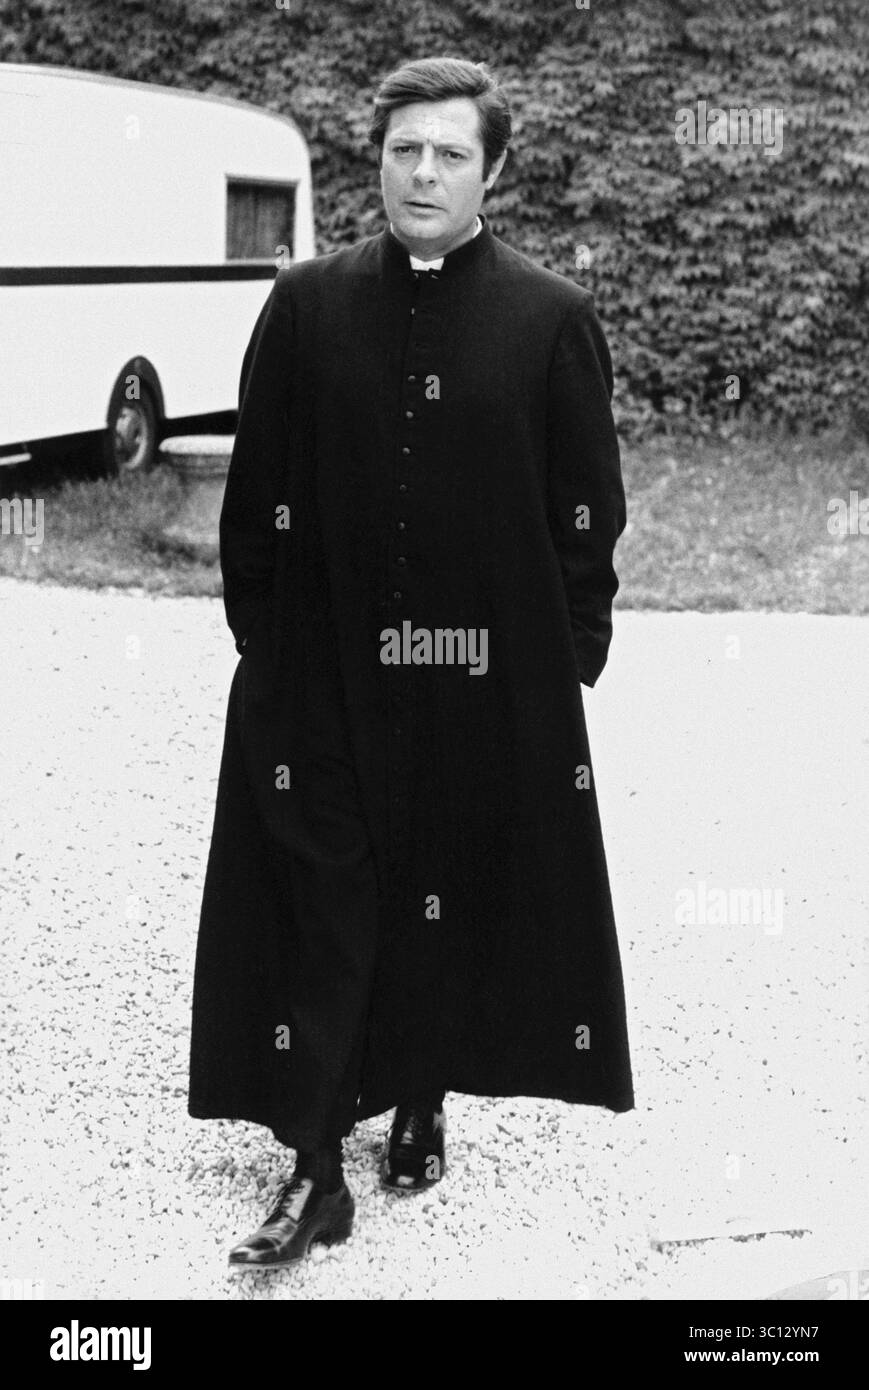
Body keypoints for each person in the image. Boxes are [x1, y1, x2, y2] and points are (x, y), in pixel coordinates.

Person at [188, 54, 634, 1270]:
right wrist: (263, 648)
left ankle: (424, 1090)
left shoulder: (549, 321)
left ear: (492, 169)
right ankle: (316, 1163)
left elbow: (583, 511)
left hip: (478, 684)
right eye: (402, 151)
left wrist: (567, 665)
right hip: (322, 677)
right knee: (322, 904)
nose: (422, 172)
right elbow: (256, 496)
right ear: (373, 162)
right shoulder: (307, 305)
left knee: (445, 896)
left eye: (448, 153)